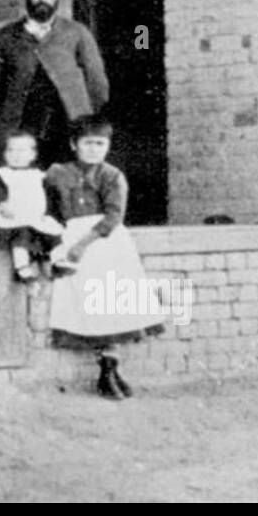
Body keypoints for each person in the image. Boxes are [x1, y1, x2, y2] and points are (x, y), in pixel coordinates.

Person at [45, 115, 166, 400]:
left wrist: (83, 245)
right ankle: (105, 369)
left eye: (100, 143)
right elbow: (48, 208)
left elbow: (113, 216)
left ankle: (110, 369)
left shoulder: (112, 176)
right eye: (87, 143)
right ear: (74, 144)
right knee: (86, 299)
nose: (94, 149)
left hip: (104, 240)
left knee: (112, 299)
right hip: (71, 235)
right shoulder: (57, 173)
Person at [0, 0, 109, 169]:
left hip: (68, 134)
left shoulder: (77, 34)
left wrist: (80, 115)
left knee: (66, 193)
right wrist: (5, 123)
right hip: (21, 137)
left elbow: (98, 89)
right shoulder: (4, 38)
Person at [0, 129, 68, 282]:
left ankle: (57, 261)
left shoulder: (39, 175)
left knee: (53, 233)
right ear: (5, 155)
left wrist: (50, 214)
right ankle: (22, 266)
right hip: (11, 219)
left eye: (21, 151)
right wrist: (1, 205)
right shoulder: (0, 174)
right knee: (22, 235)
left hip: (34, 219)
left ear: (33, 155)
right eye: (11, 150)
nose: (16, 155)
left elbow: (49, 197)